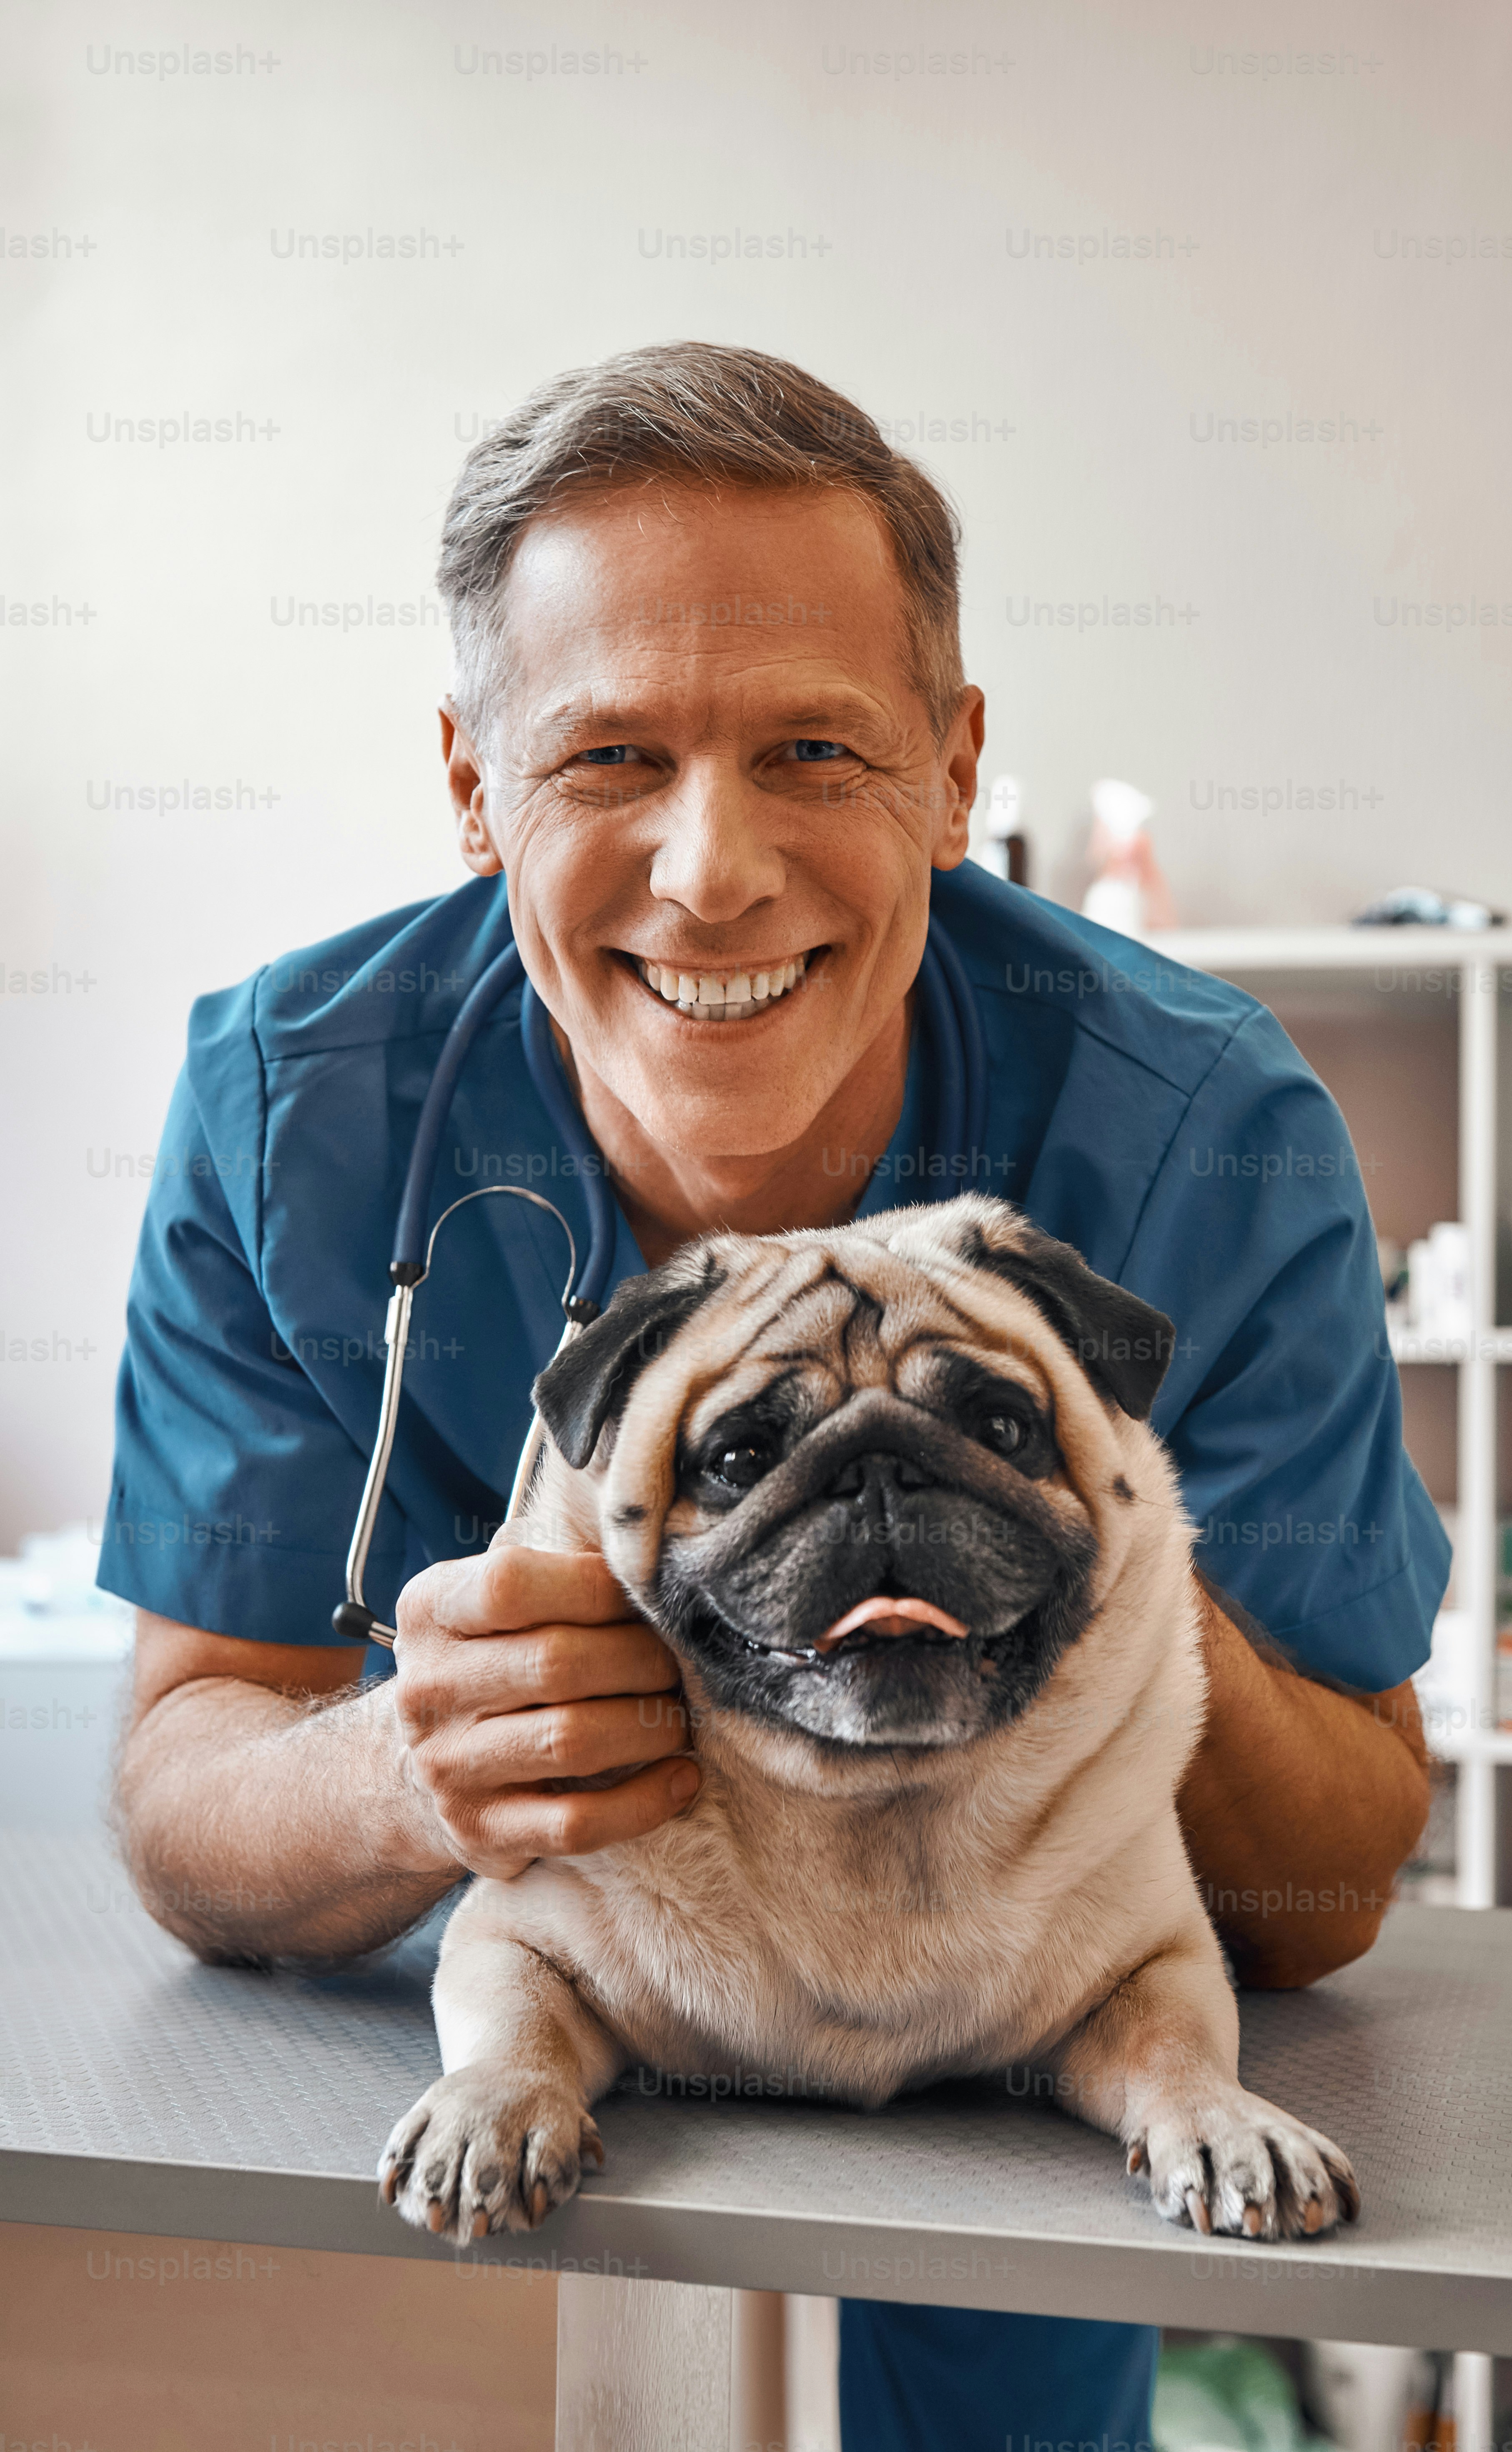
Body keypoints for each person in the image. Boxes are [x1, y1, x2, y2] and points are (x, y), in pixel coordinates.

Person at [103, 343, 1443, 2452]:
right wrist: (400, 1778)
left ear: (953, 768)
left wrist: (1069, 1528)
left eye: (815, 749)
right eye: (608, 756)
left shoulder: (1198, 1127)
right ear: (473, 786)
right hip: (542, 2020)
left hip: (1021, 2059)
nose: (712, 869)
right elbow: (186, 1785)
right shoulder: (300, 1112)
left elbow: (1333, 1877)